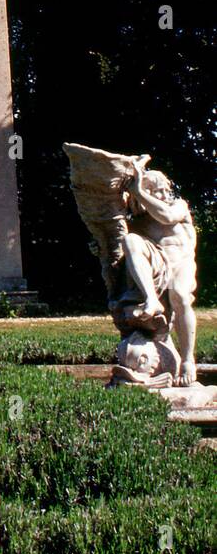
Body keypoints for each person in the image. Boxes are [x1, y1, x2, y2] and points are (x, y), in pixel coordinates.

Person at [117, 159, 198, 386]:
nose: (163, 194)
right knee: (130, 240)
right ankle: (151, 299)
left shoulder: (178, 206)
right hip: (160, 267)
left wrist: (139, 192)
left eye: (165, 190)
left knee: (180, 296)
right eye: (156, 190)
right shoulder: (139, 222)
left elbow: (167, 217)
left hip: (181, 263)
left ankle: (188, 360)